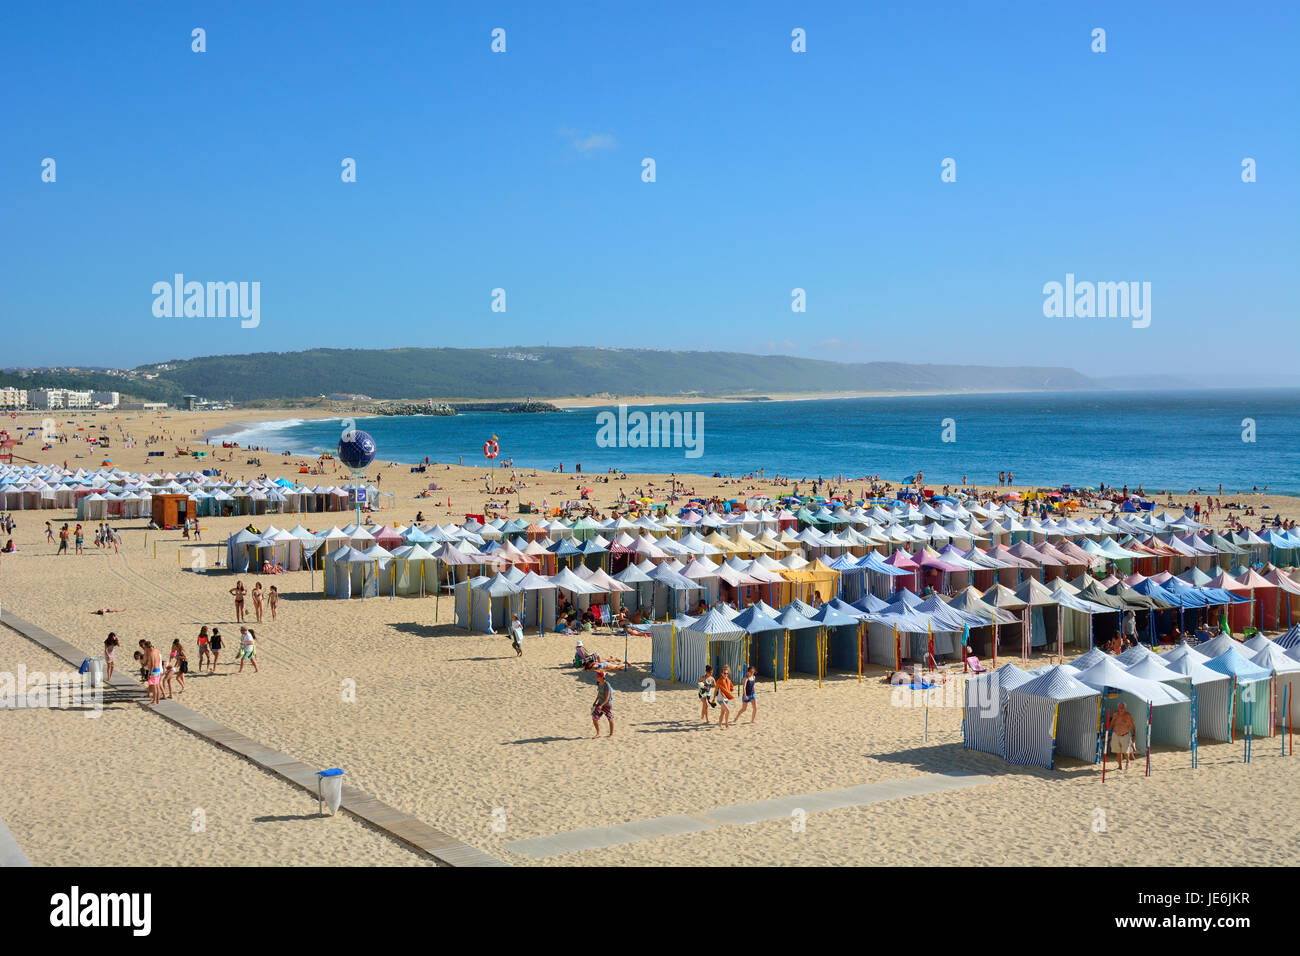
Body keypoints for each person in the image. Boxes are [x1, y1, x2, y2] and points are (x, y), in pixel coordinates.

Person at [1109, 703, 1136, 771]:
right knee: (1118, 752)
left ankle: (1127, 762)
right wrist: (1109, 726)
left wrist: (1133, 736)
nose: (1121, 709)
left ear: (1125, 708)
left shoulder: (1128, 716)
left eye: (1122, 708)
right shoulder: (1115, 714)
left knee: (1125, 751)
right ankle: (1120, 766)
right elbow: (1111, 724)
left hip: (1125, 735)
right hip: (1116, 734)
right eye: (1120, 707)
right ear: (1118, 708)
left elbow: (1133, 727)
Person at [591, 670, 614, 737]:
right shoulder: (599, 683)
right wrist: (595, 702)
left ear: (601, 677)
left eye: (598, 676)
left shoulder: (607, 685)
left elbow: (607, 697)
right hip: (599, 704)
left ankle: (611, 734)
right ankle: (598, 733)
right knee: (594, 718)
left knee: (610, 719)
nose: (596, 677)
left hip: (607, 705)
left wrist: (601, 705)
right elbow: (599, 693)